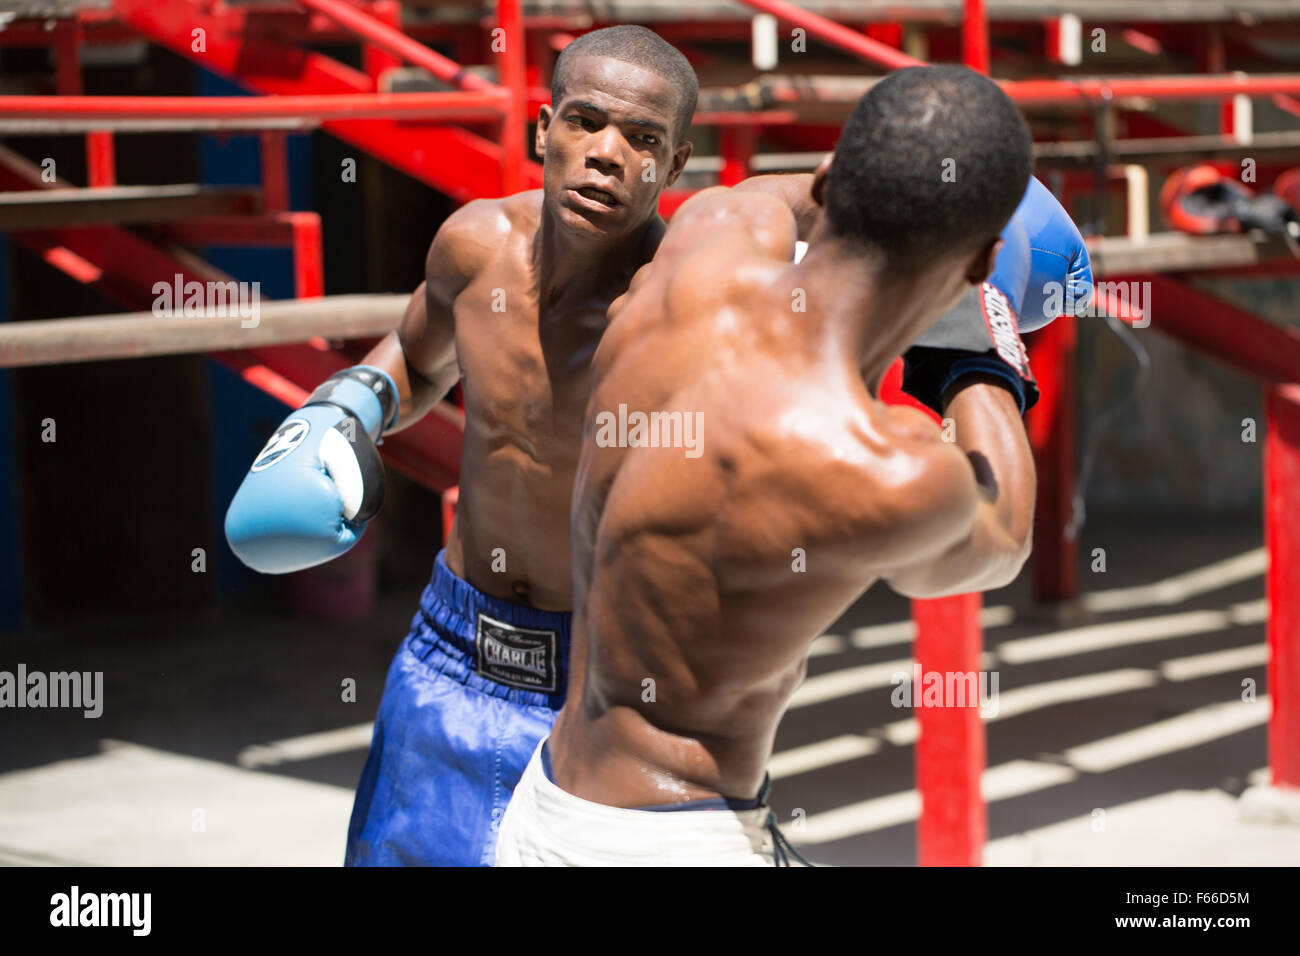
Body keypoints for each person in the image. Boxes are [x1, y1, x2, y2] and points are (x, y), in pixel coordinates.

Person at [494, 64, 1051, 866]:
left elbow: (764, 192)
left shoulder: (700, 245)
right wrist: (982, 345)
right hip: (678, 838)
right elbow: (1005, 538)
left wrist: (911, 202)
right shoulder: (882, 466)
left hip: (548, 802)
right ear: (978, 261)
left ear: (827, 180)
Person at [224, 24, 698, 866]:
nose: (608, 153)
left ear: (676, 163)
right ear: (542, 127)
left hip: (600, 677)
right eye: (587, 122)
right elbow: (416, 354)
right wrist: (348, 410)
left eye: (644, 139)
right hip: (452, 648)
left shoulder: (677, 311)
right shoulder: (477, 246)